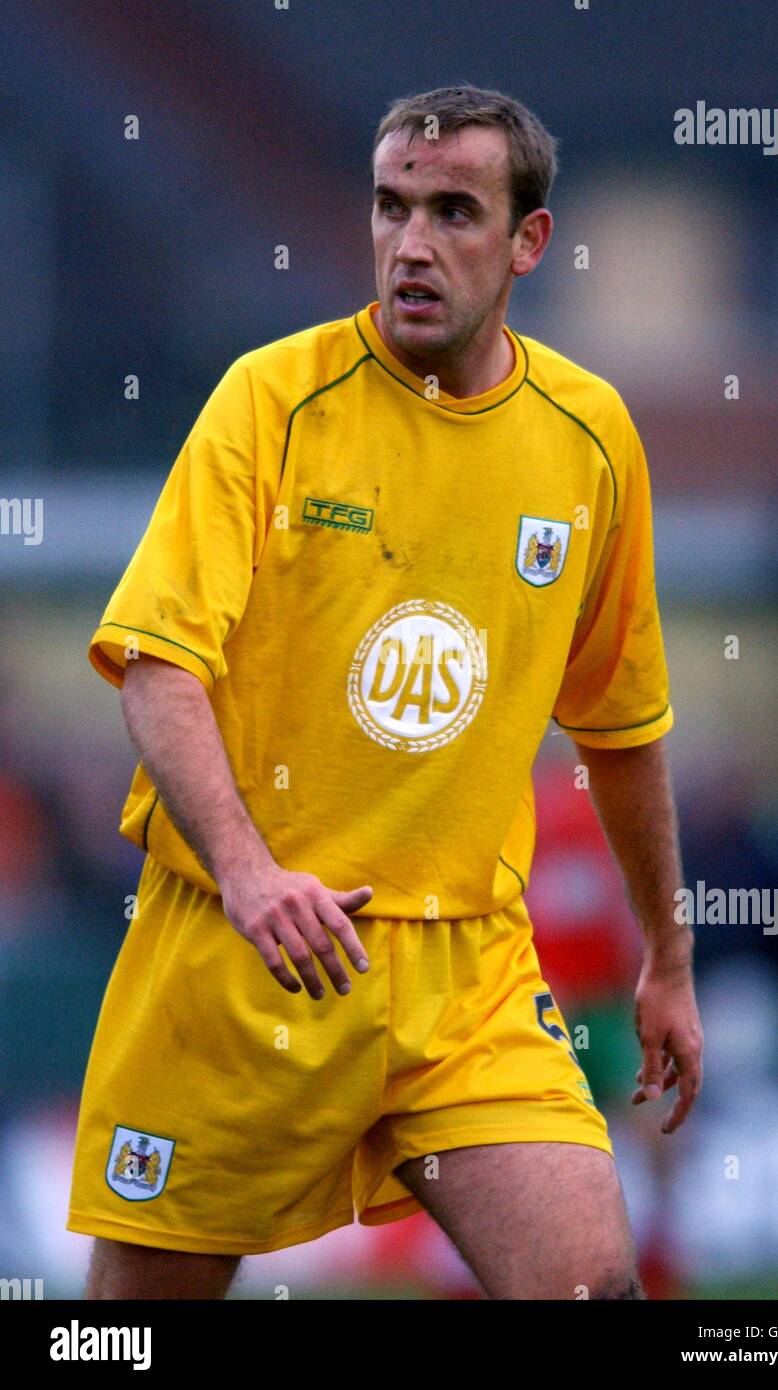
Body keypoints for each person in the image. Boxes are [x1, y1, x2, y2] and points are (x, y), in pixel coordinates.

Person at [68, 84, 703, 1301]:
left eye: (453, 211)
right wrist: (253, 875)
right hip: (243, 957)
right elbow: (157, 667)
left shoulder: (589, 436)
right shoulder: (271, 400)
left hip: (465, 972)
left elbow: (621, 728)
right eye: (390, 205)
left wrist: (666, 958)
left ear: (528, 242)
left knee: (593, 1290)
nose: (410, 243)